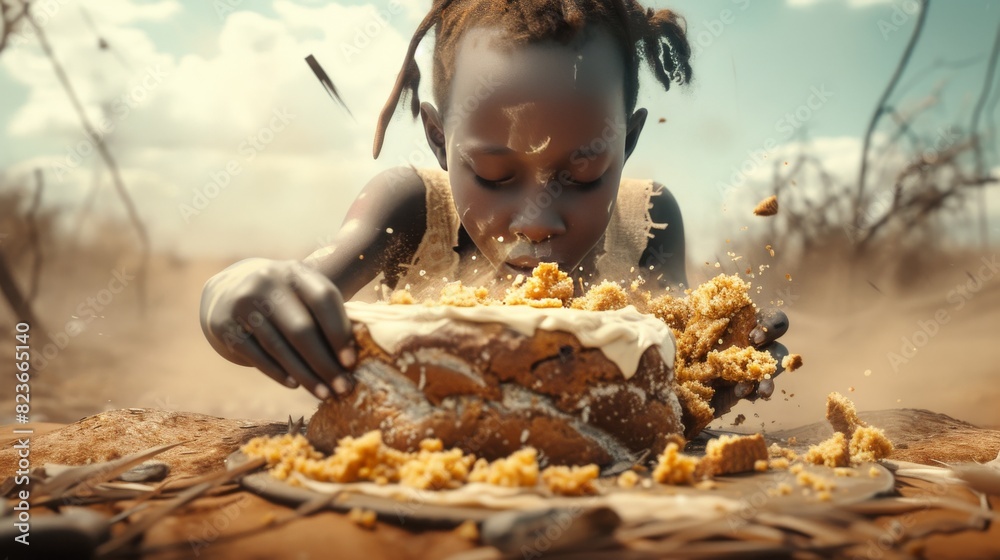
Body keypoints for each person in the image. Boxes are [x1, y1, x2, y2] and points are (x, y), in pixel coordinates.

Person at [199, 0, 788, 414]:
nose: (535, 219)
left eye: (582, 175)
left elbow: (682, 350)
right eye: (493, 174)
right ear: (437, 139)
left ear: (627, 144)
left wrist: (722, 367)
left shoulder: (648, 221)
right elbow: (304, 281)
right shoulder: (409, 210)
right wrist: (236, 294)